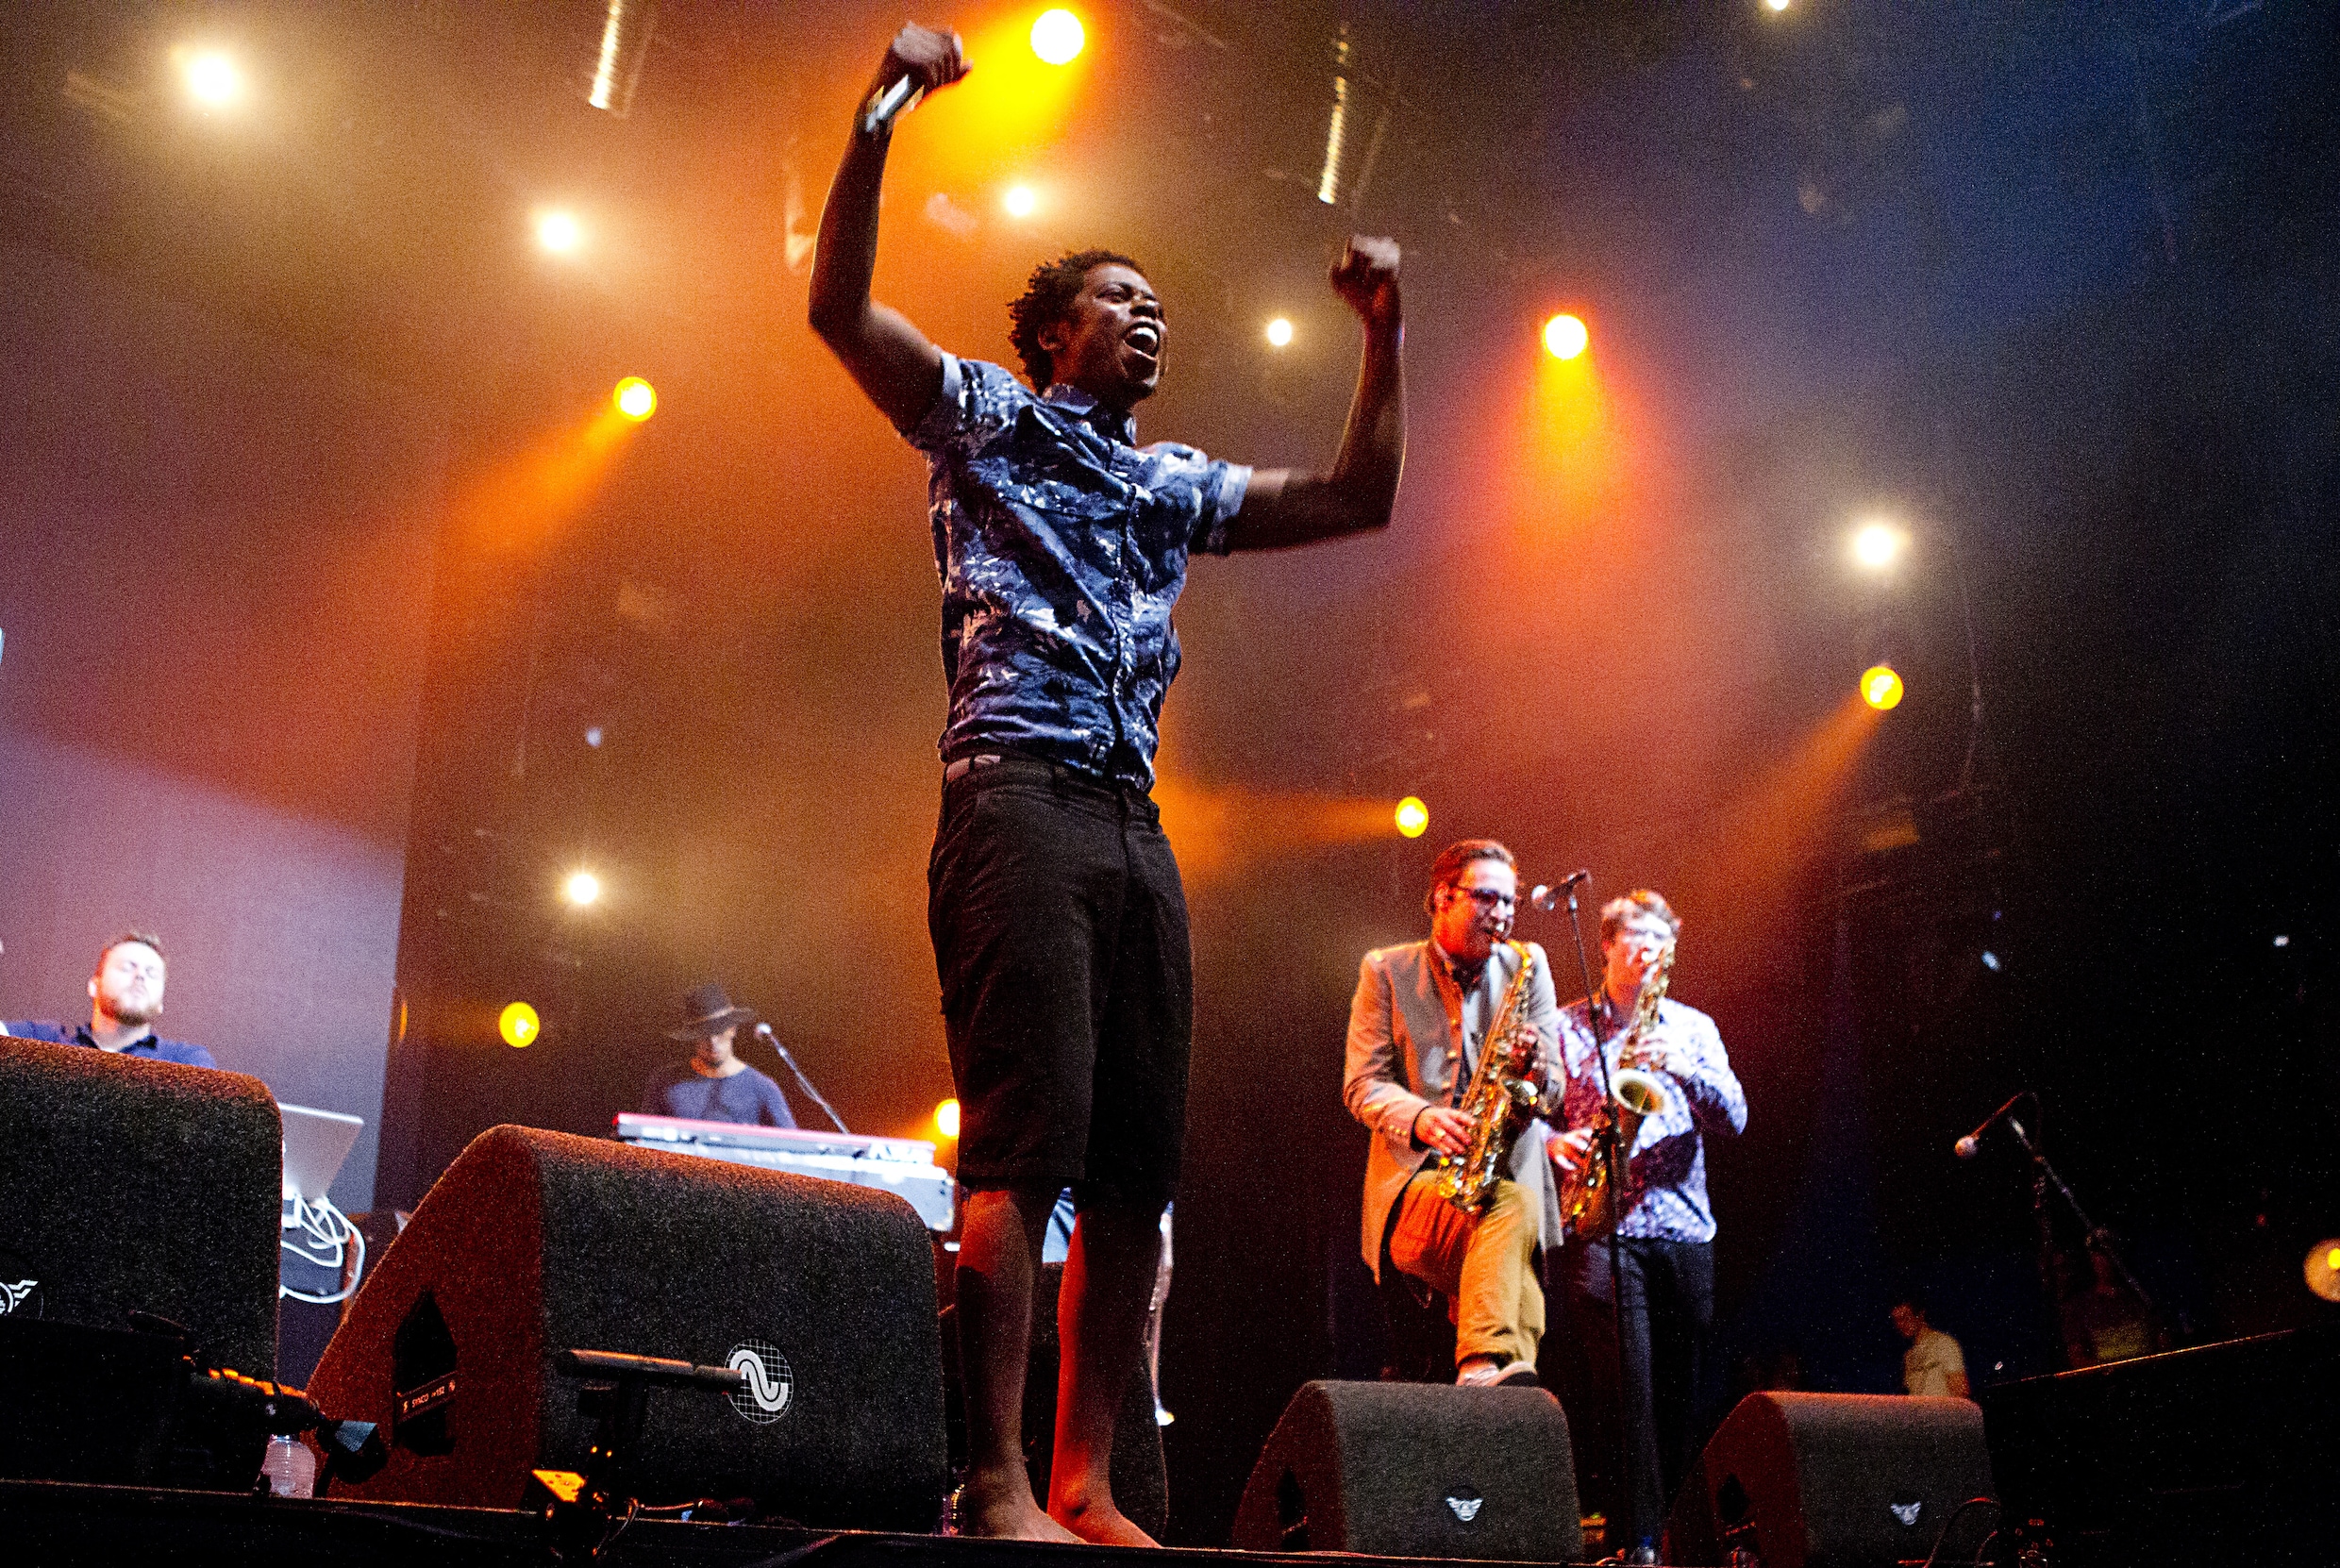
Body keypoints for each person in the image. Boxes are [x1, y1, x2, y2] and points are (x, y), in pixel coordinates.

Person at [808, 22, 1404, 1544]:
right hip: (1016, 796)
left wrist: (1385, 333)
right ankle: (993, 1475)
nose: (1149, 322)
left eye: (1156, 307)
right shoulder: (985, 420)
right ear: (1054, 335)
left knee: (1137, 1169)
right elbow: (838, 306)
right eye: (1118, 303)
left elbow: (1356, 498)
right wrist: (884, 112)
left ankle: (1085, 1479)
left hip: (1136, 827)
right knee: (1026, 1146)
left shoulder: (1166, 481)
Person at [1549, 890, 1746, 1563]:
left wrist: (1680, 1066)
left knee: (1681, 1394)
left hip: (1685, 1229)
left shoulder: (1693, 1027)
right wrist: (1552, 1145)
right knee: (1626, 1396)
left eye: (1658, 941)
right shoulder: (1566, 1026)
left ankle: (1683, 1534)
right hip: (1604, 1229)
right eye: (1633, 938)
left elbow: (1737, 1117)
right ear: (1605, 944)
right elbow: (1534, 1115)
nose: (1645, 950)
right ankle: (1639, 1547)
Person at [1345, 840, 1562, 1389]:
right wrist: (1421, 1119)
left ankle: (1491, 1417)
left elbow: (1554, 1091)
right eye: (1488, 897)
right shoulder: (1386, 969)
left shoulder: (1528, 968)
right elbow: (1362, 1084)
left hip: (1498, 1180)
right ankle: (1479, 1368)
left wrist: (1535, 1071)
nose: (1504, 914)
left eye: (1511, 902)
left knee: (1528, 1306)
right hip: (1416, 1184)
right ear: (1443, 896)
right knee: (1514, 1211)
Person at [2, 932, 216, 1067]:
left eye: (151, 974)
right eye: (126, 967)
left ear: (160, 1003)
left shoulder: (186, 1061)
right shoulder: (42, 1040)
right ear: (94, 985)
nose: (140, 976)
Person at [639, 983, 796, 1126]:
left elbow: (793, 1149)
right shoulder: (665, 1082)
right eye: (705, 1034)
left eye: (719, 1032)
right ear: (694, 1036)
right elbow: (642, 1142)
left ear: (732, 1029)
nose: (712, 1041)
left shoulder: (762, 1087)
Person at [1892, 1297, 1971, 1397]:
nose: (1900, 1324)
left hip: (1942, 1412)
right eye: (1896, 1320)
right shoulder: (1909, 1356)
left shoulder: (1943, 1344)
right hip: (1920, 1412)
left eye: (1905, 1318)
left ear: (1920, 1315)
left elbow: (1962, 1392)